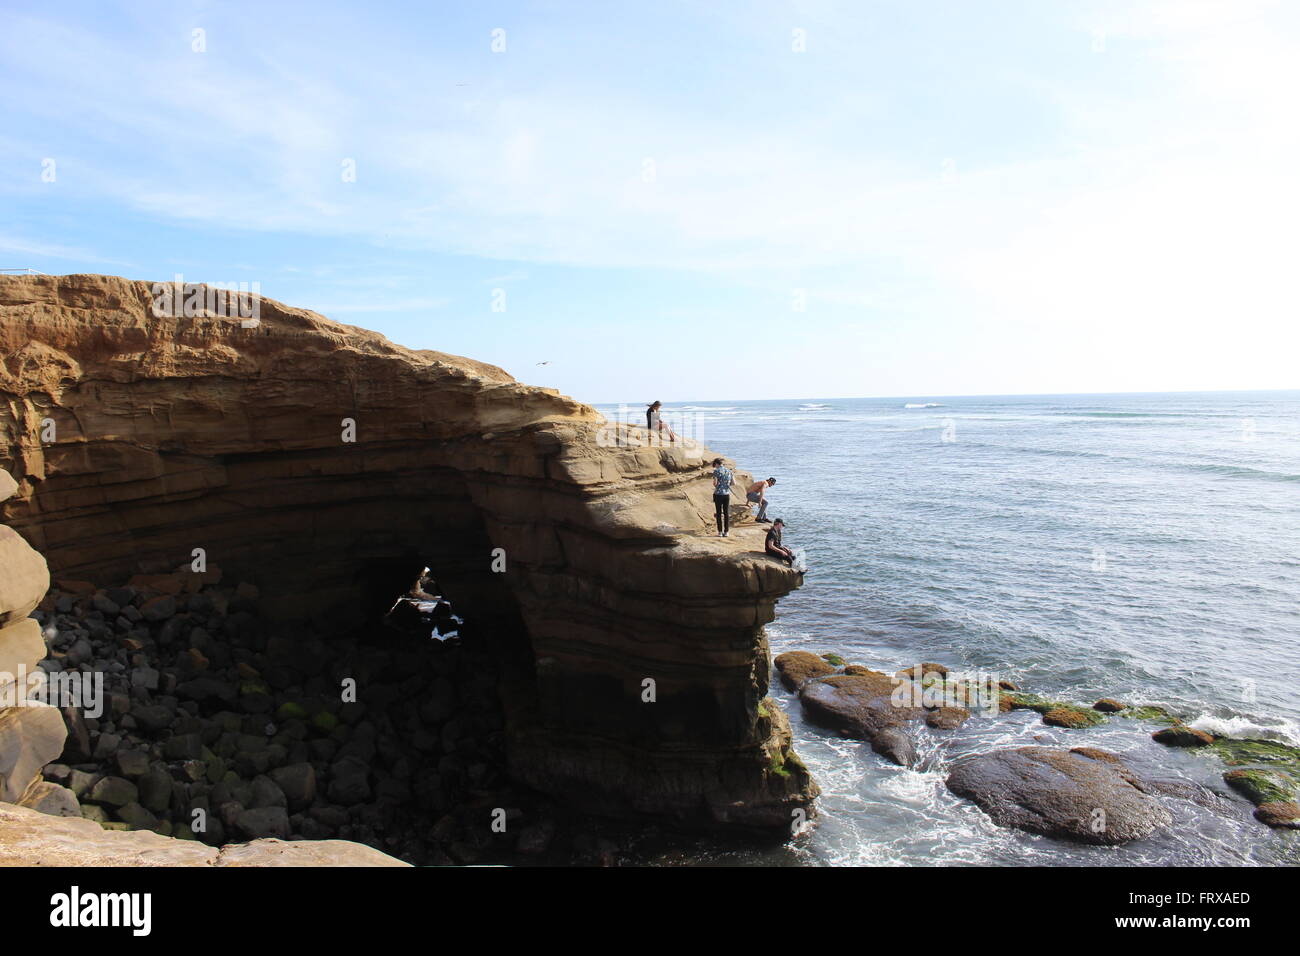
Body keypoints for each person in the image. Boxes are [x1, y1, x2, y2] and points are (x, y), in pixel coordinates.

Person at [711, 457, 734, 536]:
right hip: (726, 494)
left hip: (718, 494)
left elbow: (715, 483)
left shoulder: (716, 471)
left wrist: (718, 485)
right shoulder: (729, 471)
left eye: (715, 465)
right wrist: (726, 485)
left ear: (717, 464)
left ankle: (720, 532)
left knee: (718, 513)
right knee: (726, 513)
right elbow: (733, 483)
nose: (715, 467)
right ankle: (726, 532)